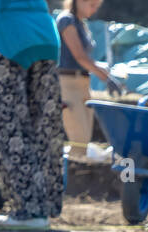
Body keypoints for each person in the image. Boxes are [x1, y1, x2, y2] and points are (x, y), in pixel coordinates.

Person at [0, 0, 64, 228]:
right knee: (44, 123)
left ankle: (28, 211)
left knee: (7, 125)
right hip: (42, 33)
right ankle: (44, 208)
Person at [56, 0, 119, 160]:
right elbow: (79, 56)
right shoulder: (66, 20)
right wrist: (105, 77)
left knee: (83, 142)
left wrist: (103, 71)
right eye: (92, 5)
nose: (94, 10)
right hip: (69, 85)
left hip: (83, 85)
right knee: (79, 142)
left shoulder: (81, 24)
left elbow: (86, 60)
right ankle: (67, 179)